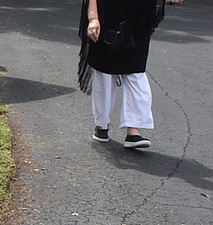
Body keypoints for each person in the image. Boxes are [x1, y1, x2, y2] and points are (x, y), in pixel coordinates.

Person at [77, 0, 180, 149]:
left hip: (140, 15)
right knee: (105, 71)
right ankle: (102, 125)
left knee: (135, 71)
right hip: (107, 14)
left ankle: (133, 130)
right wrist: (93, 18)